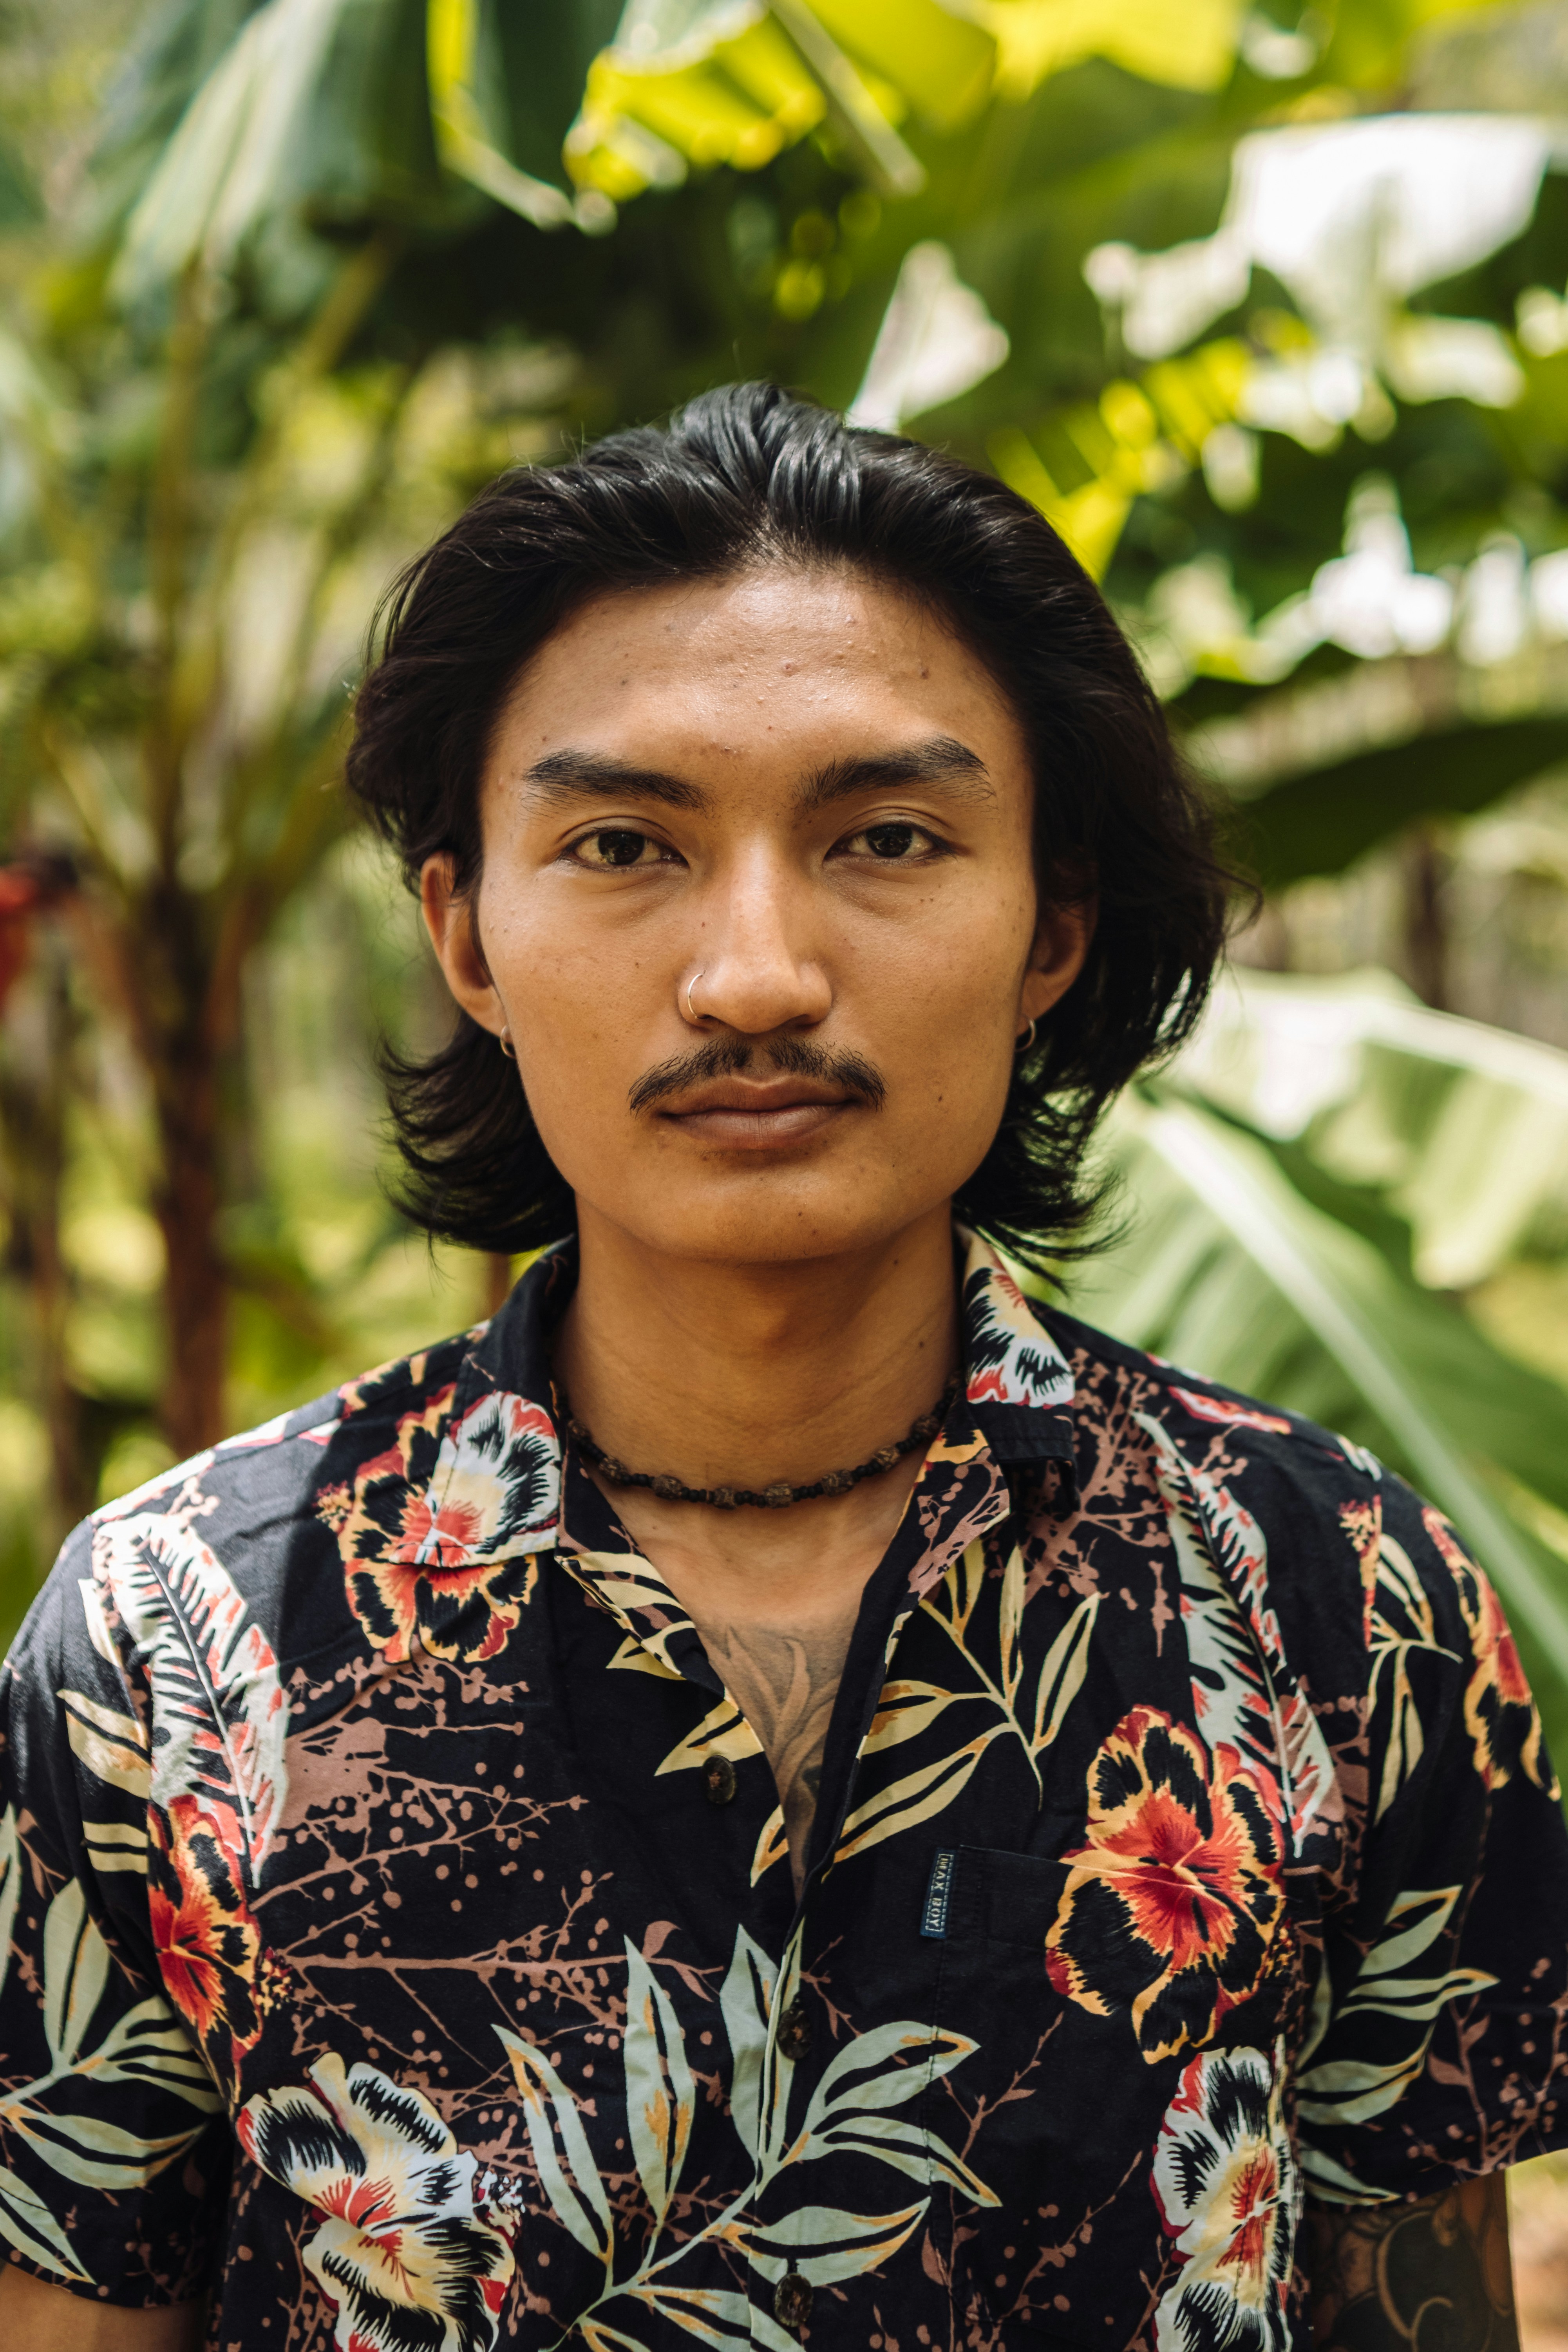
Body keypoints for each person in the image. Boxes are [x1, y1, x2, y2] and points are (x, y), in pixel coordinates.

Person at [0, 383, 1562, 2352]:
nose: (752, 973)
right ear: (464, 934)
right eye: (623, 842)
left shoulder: (1341, 1605)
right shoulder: (169, 1646)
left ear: (1051, 924)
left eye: (885, 836)